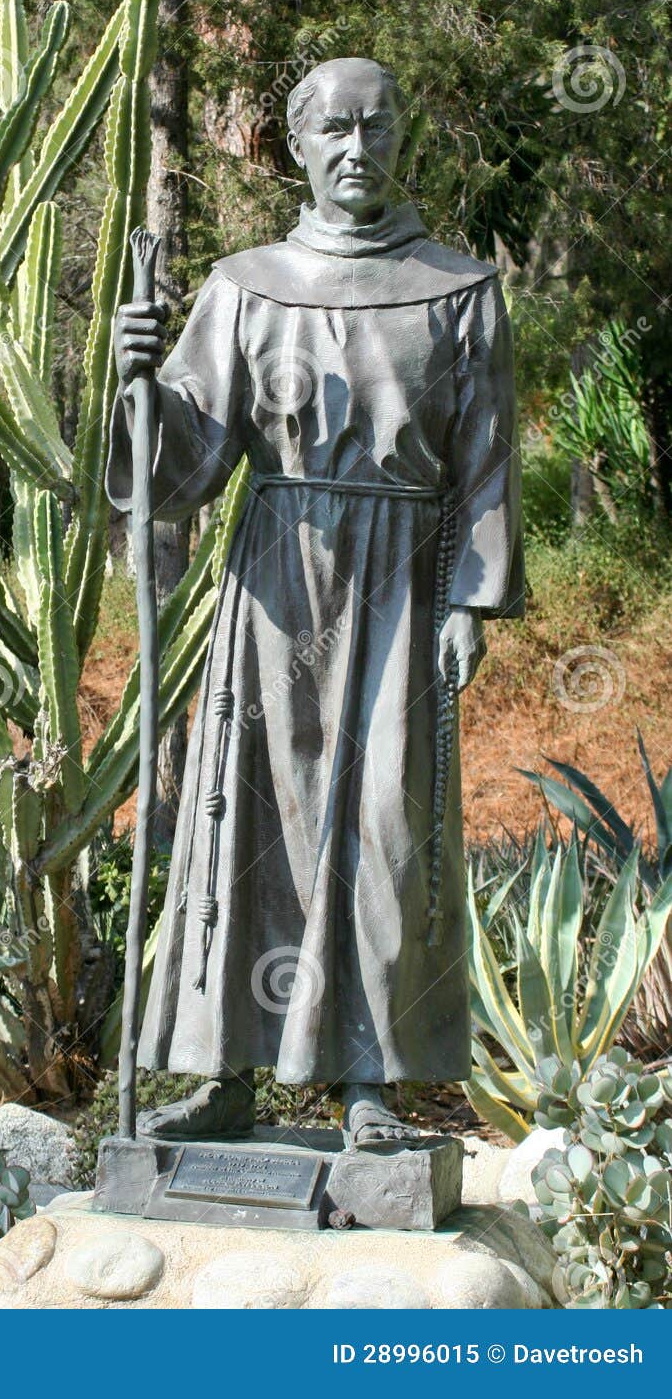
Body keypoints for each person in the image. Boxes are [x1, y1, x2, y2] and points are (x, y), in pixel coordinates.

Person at [107, 57, 524, 1147]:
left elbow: (484, 462)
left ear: (398, 142)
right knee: (247, 812)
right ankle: (223, 1068)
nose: (354, 149)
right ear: (293, 145)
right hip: (274, 581)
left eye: (374, 129)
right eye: (331, 129)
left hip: (404, 575)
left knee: (386, 819)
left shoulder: (459, 288)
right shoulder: (243, 284)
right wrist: (140, 385)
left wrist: (467, 602)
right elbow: (189, 460)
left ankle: (371, 1082)